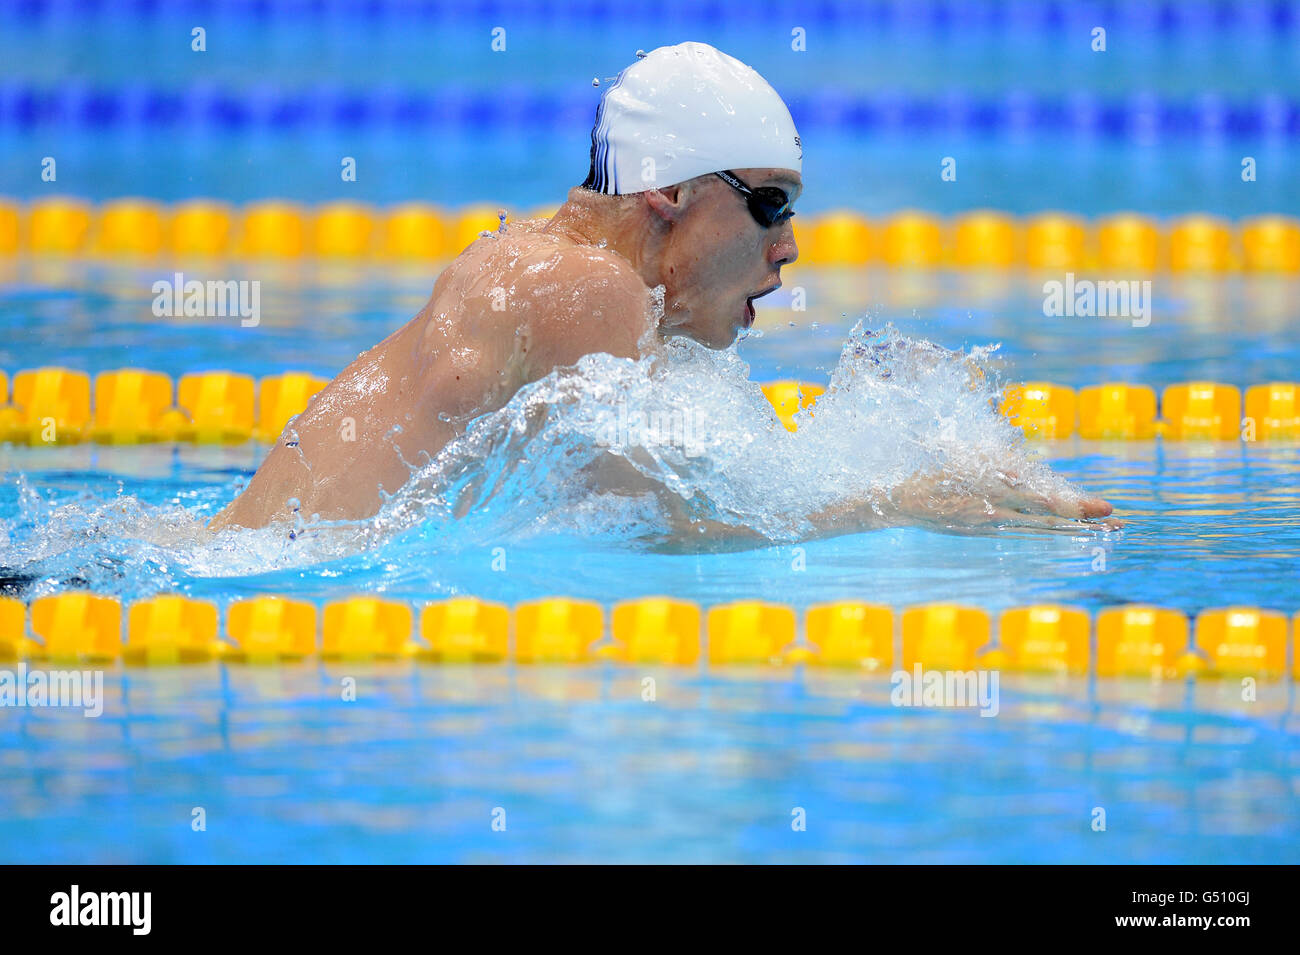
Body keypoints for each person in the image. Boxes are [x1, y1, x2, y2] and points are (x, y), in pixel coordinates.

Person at [209, 41, 1112, 535]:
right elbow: (658, 530)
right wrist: (908, 507)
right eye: (768, 205)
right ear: (672, 194)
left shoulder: (552, 269)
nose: (789, 247)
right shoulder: (586, 287)